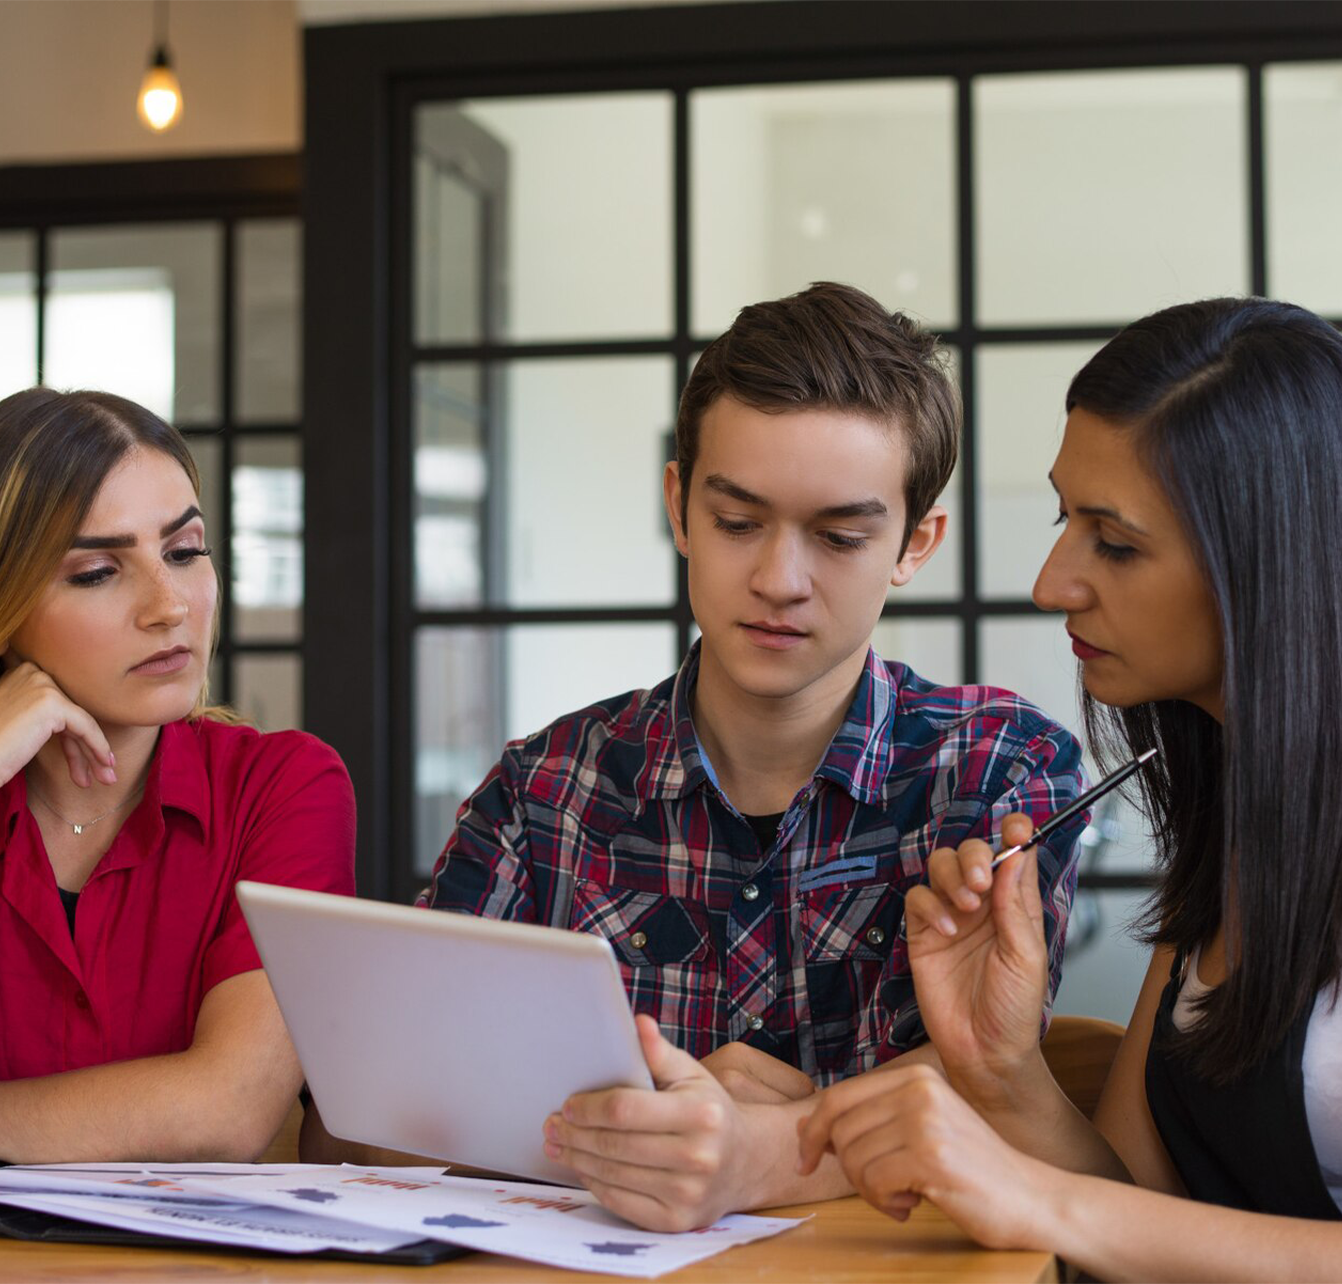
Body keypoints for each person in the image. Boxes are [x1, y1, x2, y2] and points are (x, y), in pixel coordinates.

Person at [304, 282, 1085, 1229]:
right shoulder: (543, 791)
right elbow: (365, 1113)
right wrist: (676, 1135)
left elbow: (994, 1085)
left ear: (915, 544)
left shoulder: (1000, 767)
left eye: (840, 536)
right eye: (737, 522)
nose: (778, 581)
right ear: (679, 506)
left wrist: (771, 1147)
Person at [798, 296, 1342, 1279]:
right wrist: (998, 1068)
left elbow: (1094, 1219)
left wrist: (1039, 1197)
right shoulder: (1238, 825)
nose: (1052, 582)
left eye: (1115, 541)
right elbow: (1136, 1212)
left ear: (1275, 564)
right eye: (1065, 518)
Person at [0, 388, 355, 1164]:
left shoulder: (282, 787)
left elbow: (226, 1109)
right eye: (97, 571)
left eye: (185, 551)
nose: (169, 606)